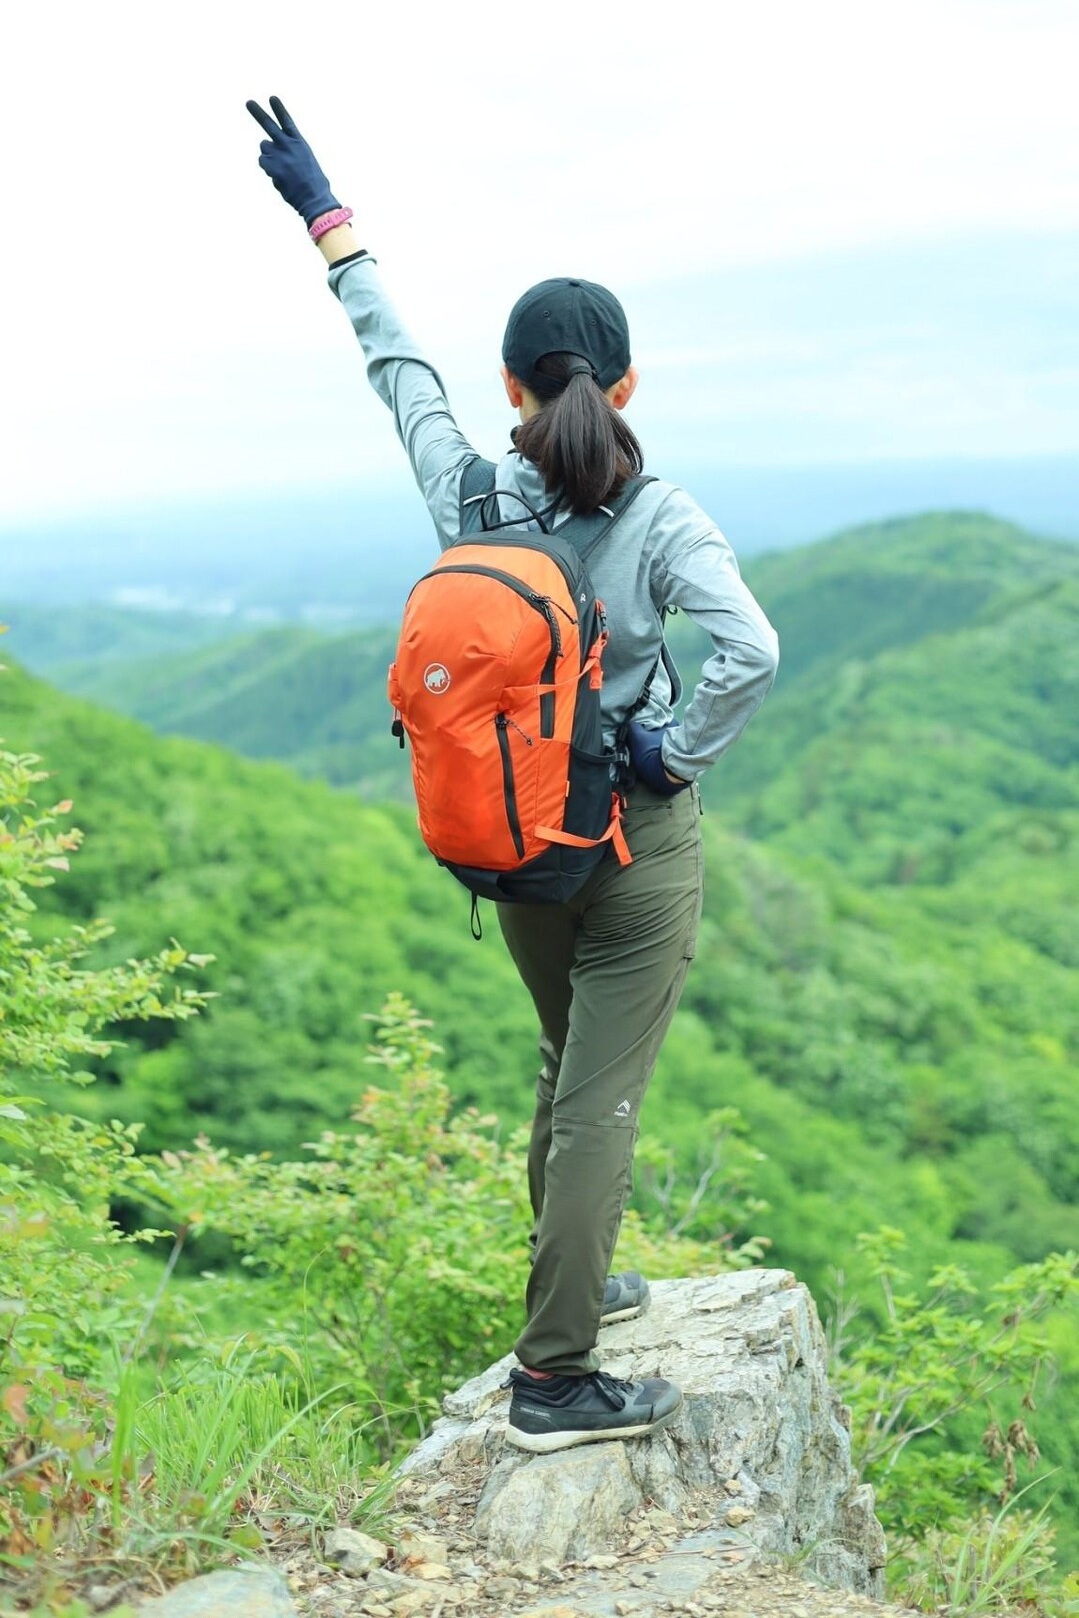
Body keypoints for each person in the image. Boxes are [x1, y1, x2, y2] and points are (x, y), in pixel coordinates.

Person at [246, 95, 780, 1453]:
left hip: (515, 841)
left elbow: (398, 375)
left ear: (513, 391)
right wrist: (671, 748)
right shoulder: (660, 514)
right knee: (600, 1094)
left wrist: (334, 227)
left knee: (561, 1069)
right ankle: (554, 1378)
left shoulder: (471, 498)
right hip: (637, 840)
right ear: (629, 386)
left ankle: (580, 1283)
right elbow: (750, 651)